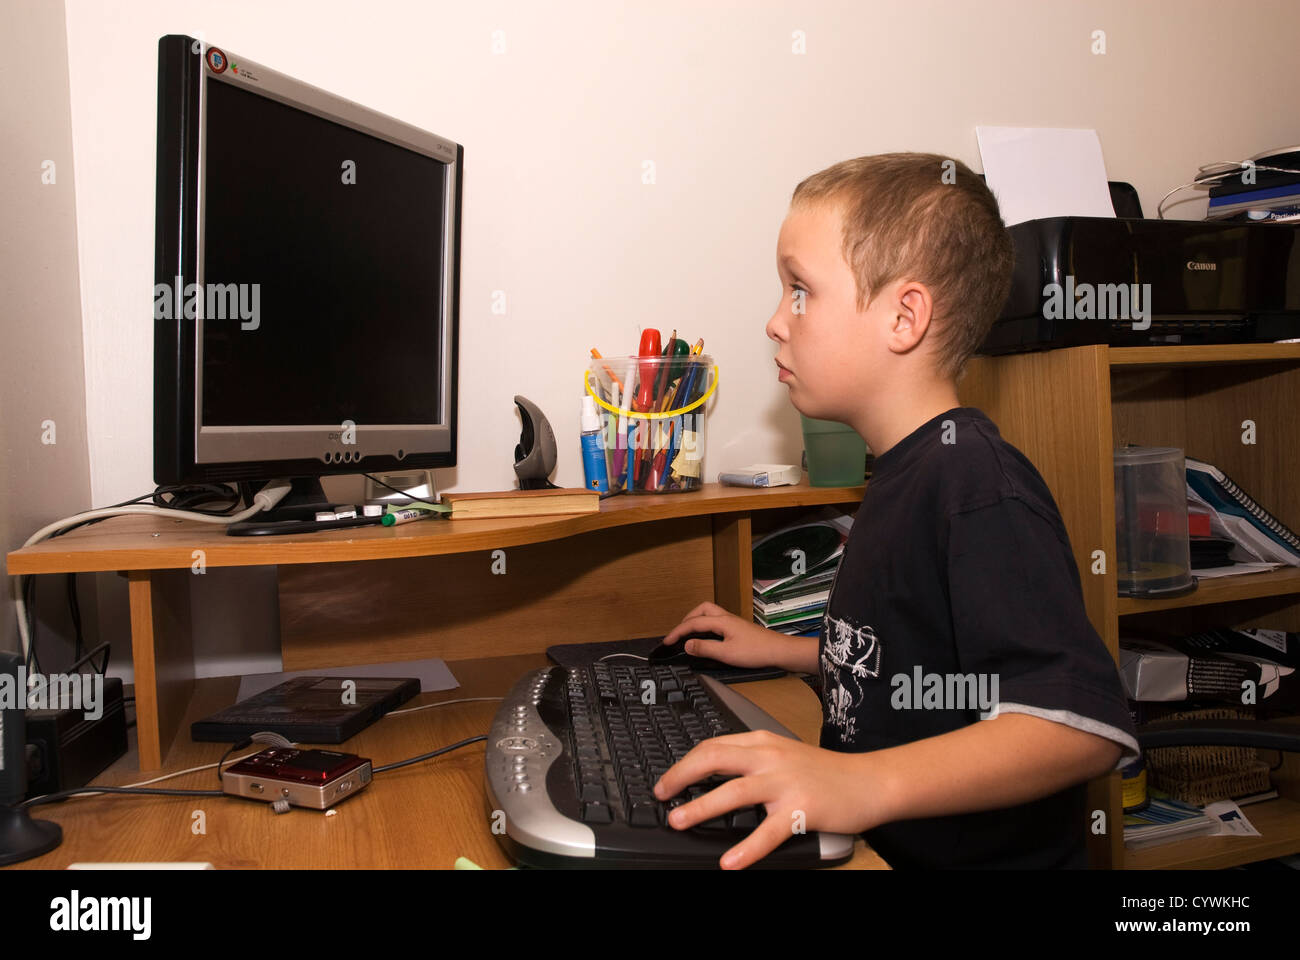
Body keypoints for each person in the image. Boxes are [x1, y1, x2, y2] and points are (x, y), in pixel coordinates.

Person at [654, 153, 1139, 869]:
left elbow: (1080, 725)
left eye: (799, 291)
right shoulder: (904, 470)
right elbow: (915, 660)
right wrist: (792, 652)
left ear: (905, 317)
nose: (774, 323)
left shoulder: (975, 483)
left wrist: (858, 782)